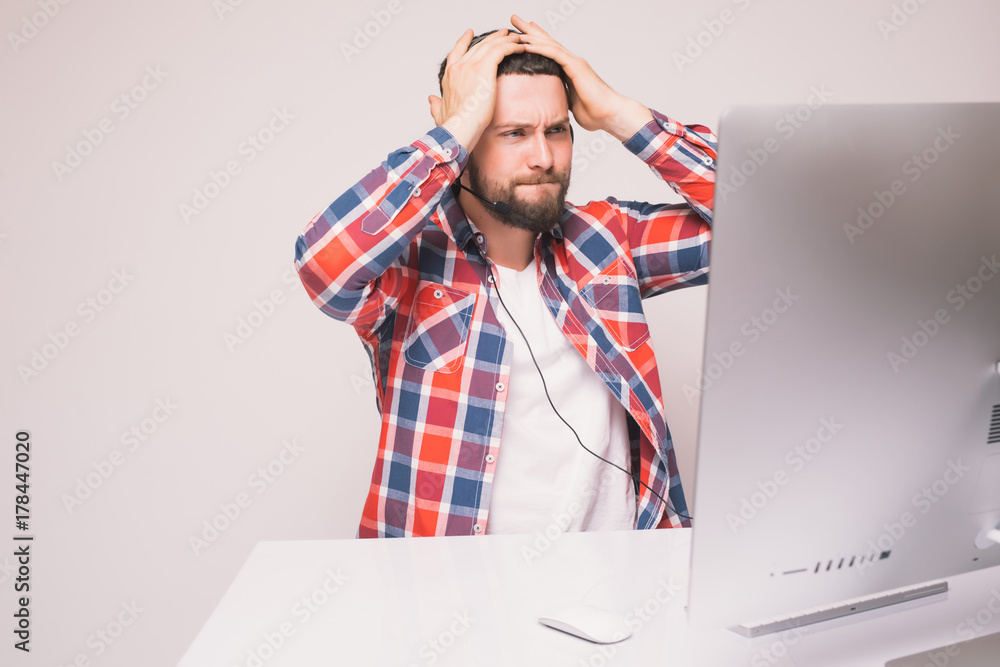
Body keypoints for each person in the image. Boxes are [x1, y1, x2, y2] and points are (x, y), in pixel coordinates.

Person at [294, 15, 716, 538]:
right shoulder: (405, 260)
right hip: (452, 595)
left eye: (556, 130)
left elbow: (776, 217)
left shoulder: (608, 239)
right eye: (512, 132)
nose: (543, 158)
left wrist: (619, 114)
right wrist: (453, 134)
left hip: (618, 584)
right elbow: (323, 266)